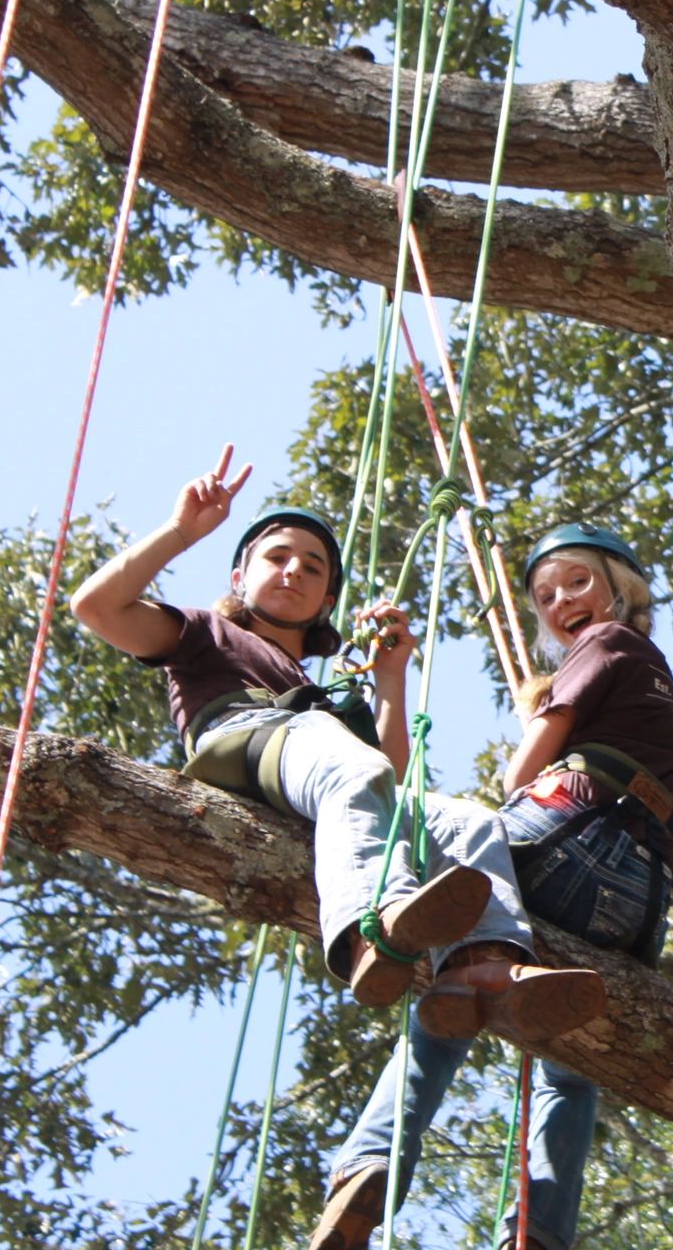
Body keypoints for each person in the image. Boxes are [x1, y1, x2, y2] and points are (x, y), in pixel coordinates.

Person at [303, 524, 673, 1250]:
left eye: (578, 583)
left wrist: (539, 713)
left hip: (569, 836)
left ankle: (372, 1161)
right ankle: (533, 1247)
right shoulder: (642, 676)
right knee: (567, 1061)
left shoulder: (608, 644)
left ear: (621, 590)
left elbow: (523, 776)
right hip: (637, 896)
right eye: (547, 595)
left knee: (426, 818)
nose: (563, 603)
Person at [70, 447, 602, 1046]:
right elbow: (95, 607)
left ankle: (483, 966)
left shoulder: (320, 695)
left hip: (311, 758)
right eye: (276, 558)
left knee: (471, 823)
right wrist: (181, 531)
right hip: (245, 740)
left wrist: (392, 677)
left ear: (327, 603)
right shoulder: (204, 633)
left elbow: (390, 782)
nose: (294, 569)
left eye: (313, 567)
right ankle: (368, 930)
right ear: (240, 579)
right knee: (348, 761)